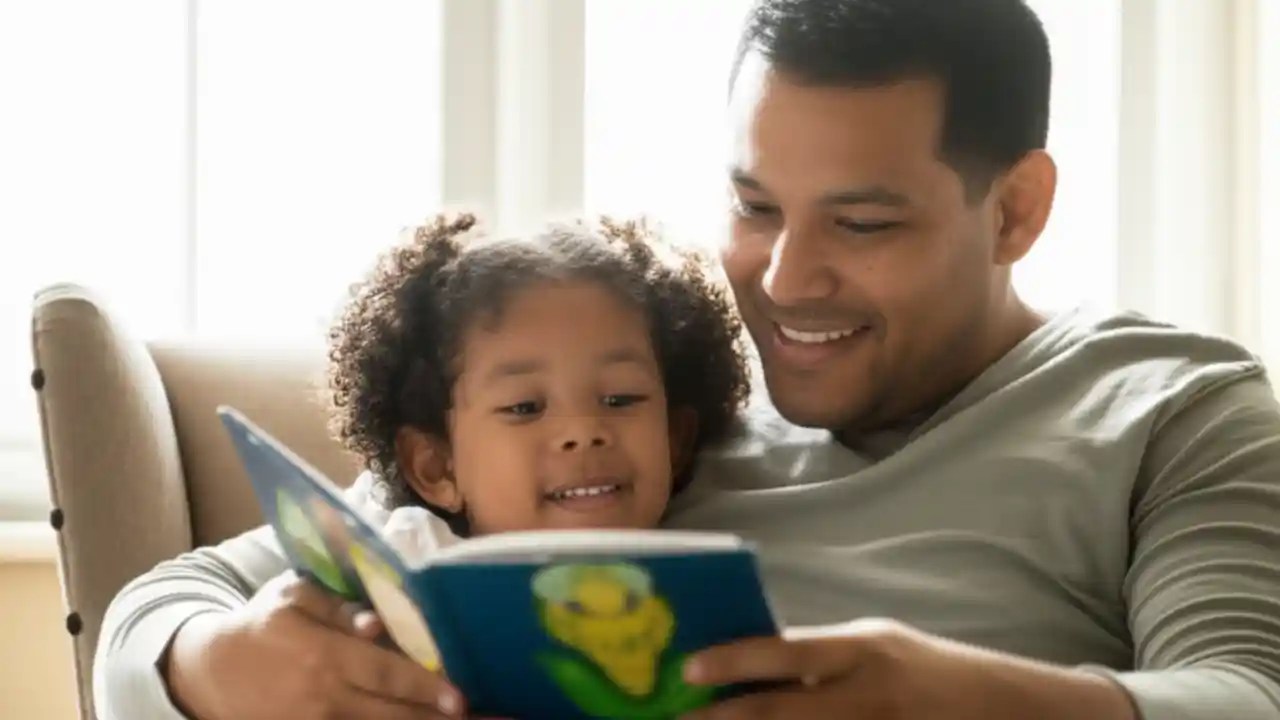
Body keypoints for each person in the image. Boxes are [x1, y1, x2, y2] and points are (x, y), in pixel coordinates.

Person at [95, 1, 1280, 718]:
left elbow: (1247, 694)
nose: (783, 279)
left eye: (860, 225)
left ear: (1014, 210)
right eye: (754, 205)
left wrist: (967, 700)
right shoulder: (637, 396)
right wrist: (211, 666)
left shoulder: (1173, 411)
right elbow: (169, 603)